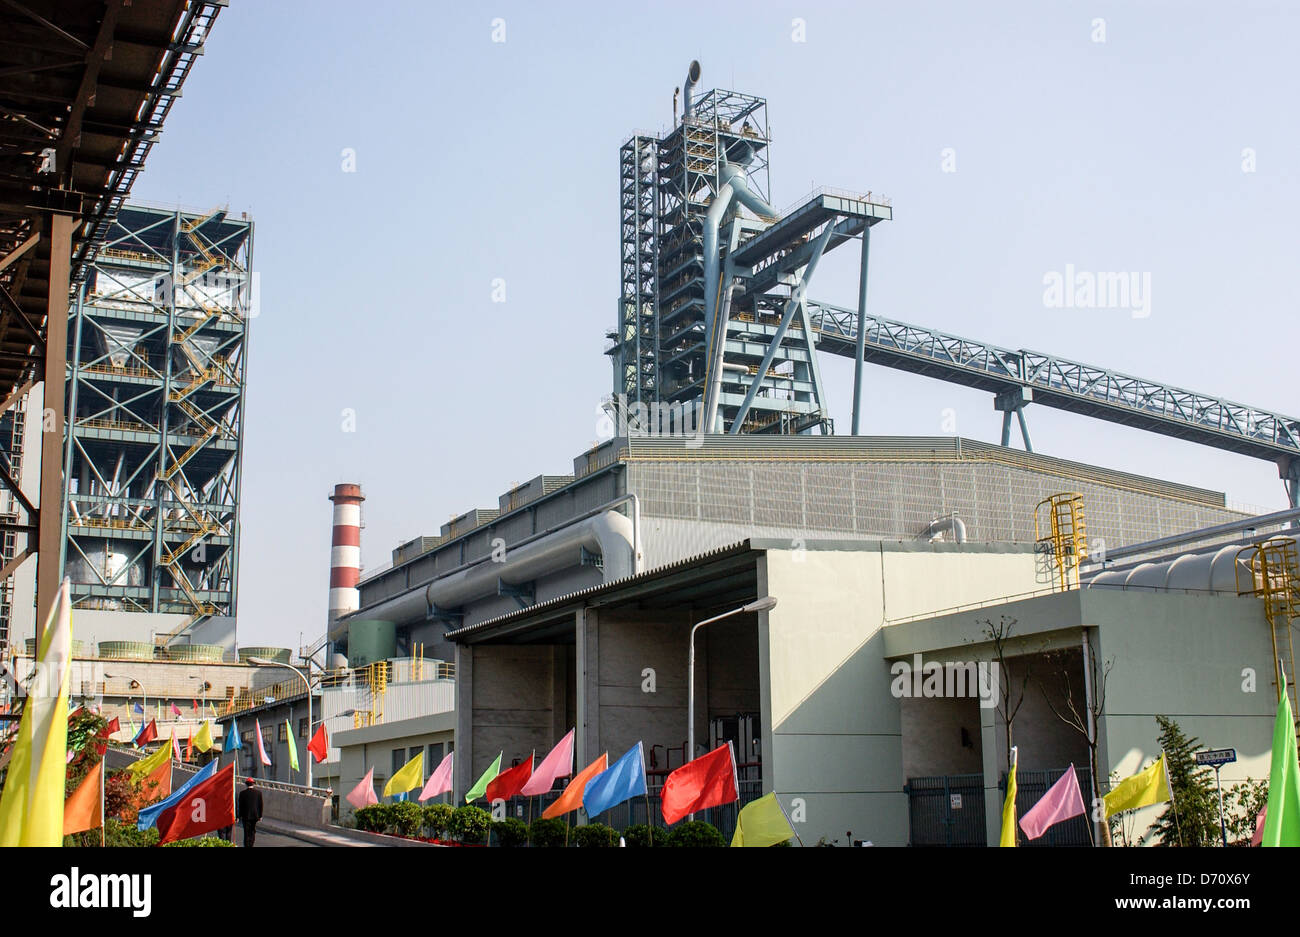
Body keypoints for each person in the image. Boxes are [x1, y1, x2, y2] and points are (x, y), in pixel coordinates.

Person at [236, 777, 263, 847]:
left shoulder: (242, 793)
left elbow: (240, 806)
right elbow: (260, 805)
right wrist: (260, 816)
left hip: (245, 816)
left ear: (246, 784)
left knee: (246, 832)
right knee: (252, 831)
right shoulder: (258, 793)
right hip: (255, 815)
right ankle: (251, 844)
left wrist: (238, 816)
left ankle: (247, 845)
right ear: (253, 784)